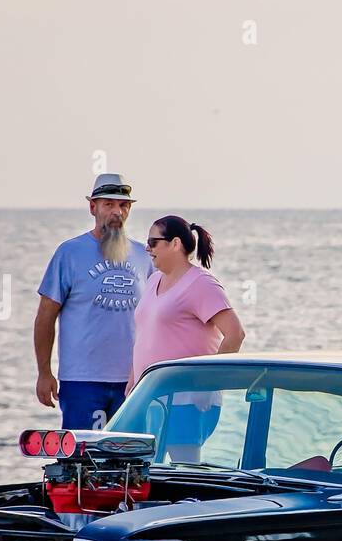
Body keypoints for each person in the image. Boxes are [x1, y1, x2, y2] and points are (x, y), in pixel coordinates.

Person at [34, 173, 152, 429]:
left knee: (130, 462)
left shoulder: (145, 256)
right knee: (82, 461)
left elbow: (160, 314)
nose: (117, 212)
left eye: (123, 205)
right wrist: (44, 372)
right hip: (82, 380)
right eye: (108, 204)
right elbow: (45, 316)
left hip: (134, 380)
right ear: (93, 207)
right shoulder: (70, 253)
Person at [130, 215, 246, 462]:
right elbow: (146, 337)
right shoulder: (153, 281)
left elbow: (235, 334)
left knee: (183, 472)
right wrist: (133, 384)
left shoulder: (201, 284)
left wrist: (208, 384)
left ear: (175, 244)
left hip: (187, 399)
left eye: (153, 241)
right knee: (146, 473)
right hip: (150, 395)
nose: (147, 248)